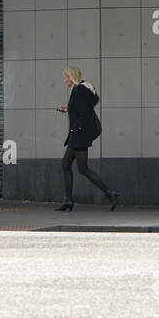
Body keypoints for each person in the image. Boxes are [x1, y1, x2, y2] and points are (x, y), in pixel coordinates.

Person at [55, 66, 120, 211]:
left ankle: (110, 193)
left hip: (79, 135)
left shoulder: (78, 90)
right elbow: (82, 109)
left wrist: (75, 129)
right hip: (79, 134)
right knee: (67, 164)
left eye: (65, 77)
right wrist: (67, 109)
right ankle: (69, 200)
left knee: (81, 168)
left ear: (71, 77)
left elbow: (84, 114)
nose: (64, 80)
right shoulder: (81, 90)